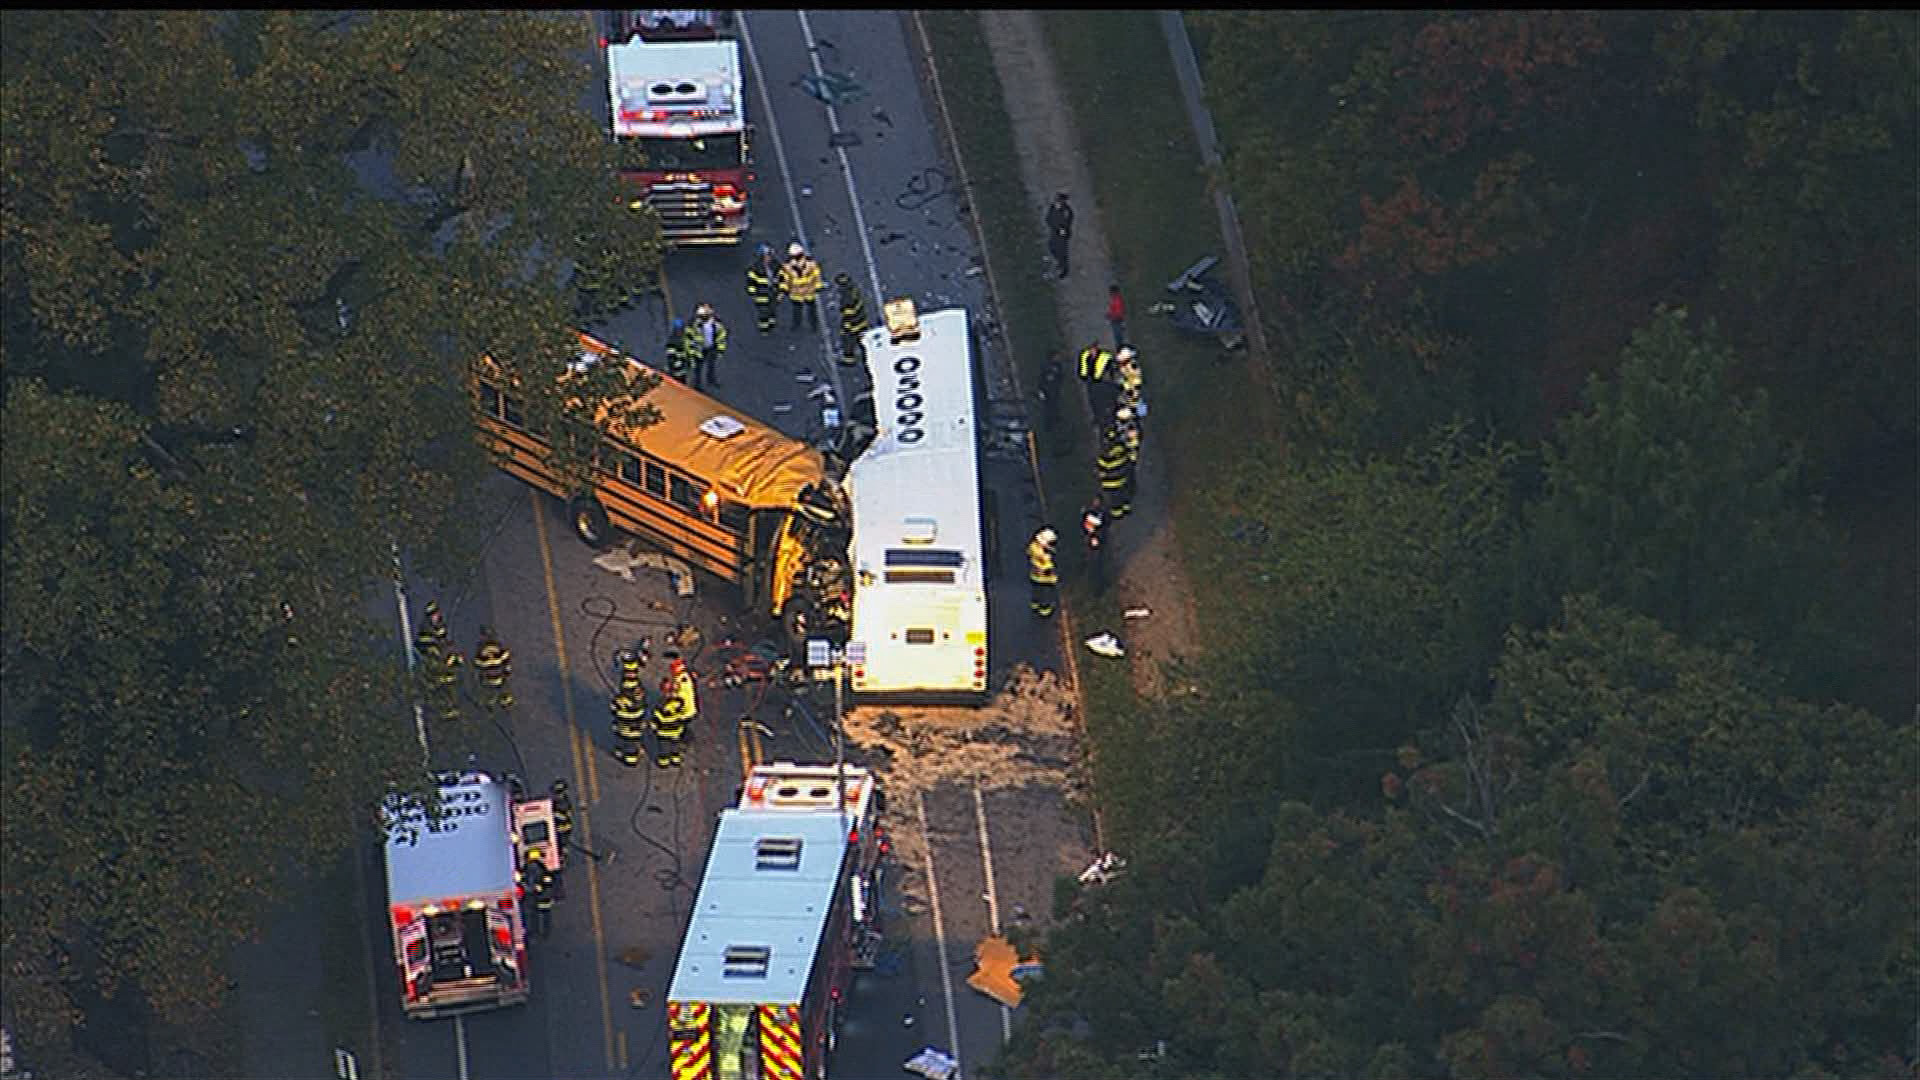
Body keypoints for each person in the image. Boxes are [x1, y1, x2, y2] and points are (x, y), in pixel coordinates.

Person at [778, 242, 823, 331]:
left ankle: (813, 325)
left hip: (808, 292)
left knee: (811, 311)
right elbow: (783, 279)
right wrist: (783, 290)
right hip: (797, 294)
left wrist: (818, 286)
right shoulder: (787, 266)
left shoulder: (810, 263)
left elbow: (816, 275)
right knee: (797, 311)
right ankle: (797, 325)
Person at [685, 303, 727, 389]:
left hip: (711, 348)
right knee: (698, 368)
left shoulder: (716, 324)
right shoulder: (693, 325)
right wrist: (691, 352)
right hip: (699, 349)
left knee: (711, 365)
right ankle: (697, 385)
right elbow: (689, 339)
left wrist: (720, 350)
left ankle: (711, 380)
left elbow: (722, 336)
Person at [1096, 427, 1134, 519]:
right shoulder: (1122, 449)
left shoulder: (1104, 454)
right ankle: (1124, 510)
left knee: (1113, 500)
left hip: (1109, 483)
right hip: (1121, 479)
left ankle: (1116, 515)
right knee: (1123, 495)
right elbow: (1127, 460)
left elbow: (1101, 468)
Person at [473, 626, 514, 710]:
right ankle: (493, 703)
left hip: (494, 679)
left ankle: (494, 703)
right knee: (494, 693)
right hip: (494, 679)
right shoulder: (495, 651)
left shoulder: (484, 652)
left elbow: (478, 664)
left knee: (494, 693)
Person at [836, 272, 870, 367]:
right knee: (863, 341)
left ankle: (849, 360)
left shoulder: (846, 294)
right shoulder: (853, 288)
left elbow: (849, 311)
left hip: (853, 324)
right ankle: (869, 357)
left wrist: (847, 325)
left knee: (848, 342)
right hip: (861, 320)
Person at [744, 243, 778, 334]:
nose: (769, 257)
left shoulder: (775, 265)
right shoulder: (755, 268)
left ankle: (771, 324)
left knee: (772, 309)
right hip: (761, 293)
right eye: (768, 255)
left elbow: (781, 277)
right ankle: (764, 329)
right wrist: (753, 294)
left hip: (773, 292)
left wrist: (781, 290)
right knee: (763, 312)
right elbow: (751, 283)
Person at [520, 854, 555, 938]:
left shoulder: (529, 867)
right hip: (535, 897)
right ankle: (538, 932)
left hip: (540, 897)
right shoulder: (540, 867)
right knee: (535, 916)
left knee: (539, 915)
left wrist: (540, 887)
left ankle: (542, 932)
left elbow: (548, 880)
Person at [1028, 526, 1058, 618]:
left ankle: (1035, 604)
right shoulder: (1040, 552)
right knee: (1045, 594)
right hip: (1044, 578)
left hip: (1035, 575)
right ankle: (1044, 610)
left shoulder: (1033, 546)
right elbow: (1047, 561)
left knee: (1037, 592)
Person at [1081, 495, 1108, 596]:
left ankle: (1099, 586)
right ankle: (1097, 589)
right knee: (1095, 565)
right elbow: (1091, 527)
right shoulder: (1091, 514)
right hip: (1093, 542)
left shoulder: (1097, 513)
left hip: (1096, 541)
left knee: (1098, 564)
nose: (1097, 503)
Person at [1045, 192, 1073, 278]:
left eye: (1060, 200)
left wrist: (1063, 230)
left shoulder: (1067, 211)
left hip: (1061, 234)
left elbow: (1068, 222)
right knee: (1052, 247)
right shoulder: (1053, 207)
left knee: (1062, 251)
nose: (1058, 201)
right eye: (1058, 199)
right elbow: (1048, 219)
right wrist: (1053, 226)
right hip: (1054, 232)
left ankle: (1064, 269)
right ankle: (1059, 264)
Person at [664, 318, 691, 383]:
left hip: (680, 369)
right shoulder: (673, 339)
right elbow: (670, 353)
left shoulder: (683, 337)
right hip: (675, 370)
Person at [1106, 283, 1127, 348]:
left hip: (1117, 320)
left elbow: (1118, 311)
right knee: (1118, 338)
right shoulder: (1114, 299)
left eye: (1111, 292)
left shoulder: (1117, 300)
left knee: (1118, 338)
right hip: (1116, 320)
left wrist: (1111, 316)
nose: (1110, 293)